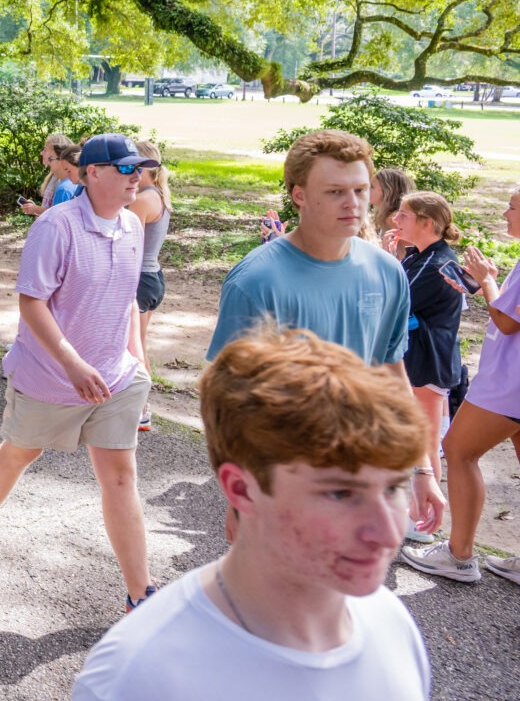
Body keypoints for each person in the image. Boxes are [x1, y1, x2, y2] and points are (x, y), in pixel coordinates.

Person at [73, 328, 432, 701]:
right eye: (341, 493)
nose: (389, 534)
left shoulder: (390, 624)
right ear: (242, 489)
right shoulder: (139, 674)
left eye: (393, 488)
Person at [0, 133, 157, 612]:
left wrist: (139, 364)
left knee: (121, 477)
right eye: (125, 169)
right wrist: (73, 364)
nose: (136, 178)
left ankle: (140, 595)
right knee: (19, 453)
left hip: (116, 377)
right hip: (51, 376)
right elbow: (32, 301)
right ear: (92, 173)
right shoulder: (56, 227)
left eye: (139, 170)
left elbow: (128, 299)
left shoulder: (133, 226)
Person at [208, 130, 446, 534]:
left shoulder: (387, 272)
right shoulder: (256, 282)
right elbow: (227, 406)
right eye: (335, 191)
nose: (352, 204)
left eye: (358, 190)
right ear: (299, 195)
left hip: (366, 477)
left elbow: (391, 372)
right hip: (285, 484)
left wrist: (421, 468)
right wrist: (243, 501)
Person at [401, 186, 520, 584]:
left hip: (509, 381)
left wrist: (487, 281)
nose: (505, 214)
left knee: (457, 450)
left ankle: (459, 555)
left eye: (512, 207)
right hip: (508, 379)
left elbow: (507, 321)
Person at [383, 191, 465, 531]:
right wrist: (391, 255)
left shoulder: (437, 264)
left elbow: (394, 302)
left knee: (428, 441)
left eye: (403, 214)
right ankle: (416, 511)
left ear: (427, 223)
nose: (395, 220)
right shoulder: (420, 256)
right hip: (419, 358)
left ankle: (423, 523)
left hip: (429, 362)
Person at [130, 139, 171, 432]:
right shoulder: (158, 194)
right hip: (153, 276)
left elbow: (128, 245)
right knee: (138, 344)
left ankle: (141, 410)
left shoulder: (144, 199)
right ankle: (137, 405)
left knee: (135, 347)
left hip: (141, 280)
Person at [21, 133, 75, 217]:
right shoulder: (64, 182)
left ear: (56, 156)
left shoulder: (64, 189)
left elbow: (56, 222)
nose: (41, 153)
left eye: (45, 150)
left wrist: (35, 209)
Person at [368, 165, 414, 243]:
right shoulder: (385, 216)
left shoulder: (395, 219)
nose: (366, 190)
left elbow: (410, 251)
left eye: (372, 187)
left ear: (388, 191)